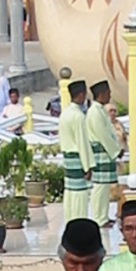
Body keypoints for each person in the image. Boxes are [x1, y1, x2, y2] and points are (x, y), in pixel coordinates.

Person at [86, 80, 122, 228]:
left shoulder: (100, 110)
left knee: (105, 186)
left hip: (106, 150)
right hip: (101, 150)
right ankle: (98, 218)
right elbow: (103, 135)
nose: (110, 95)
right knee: (100, 186)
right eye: (108, 92)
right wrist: (115, 150)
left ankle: (103, 215)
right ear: (101, 94)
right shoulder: (94, 112)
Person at [59, 80, 94, 222]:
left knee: (70, 196)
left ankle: (69, 223)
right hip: (77, 159)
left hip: (68, 158)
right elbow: (82, 142)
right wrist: (87, 166)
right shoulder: (78, 116)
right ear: (80, 95)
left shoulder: (65, 113)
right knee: (79, 197)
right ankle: (79, 224)